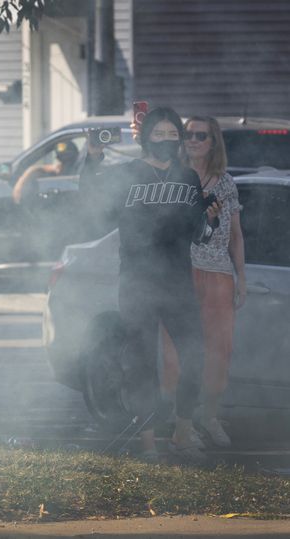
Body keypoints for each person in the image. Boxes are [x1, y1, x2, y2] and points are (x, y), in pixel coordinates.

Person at [80, 106, 221, 463]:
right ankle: (147, 443)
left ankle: (182, 433)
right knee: (142, 362)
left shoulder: (188, 178)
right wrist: (93, 159)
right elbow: (90, 202)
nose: (166, 140)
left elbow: (198, 235)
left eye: (173, 135)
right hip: (137, 282)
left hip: (176, 281)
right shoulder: (127, 174)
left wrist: (211, 222)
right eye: (158, 134)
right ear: (145, 138)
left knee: (194, 355)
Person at [160, 116, 246, 448]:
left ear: (213, 142)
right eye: (188, 134)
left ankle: (209, 417)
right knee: (176, 349)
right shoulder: (173, 177)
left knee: (218, 349)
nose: (193, 140)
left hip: (219, 274)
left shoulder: (225, 182)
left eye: (201, 135)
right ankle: (179, 421)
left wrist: (242, 277)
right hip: (180, 272)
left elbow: (236, 236)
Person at [12, 140, 79, 204]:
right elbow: (37, 168)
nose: (63, 161)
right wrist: (20, 184)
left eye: (67, 158)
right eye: (61, 158)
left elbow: (34, 169)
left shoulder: (75, 172)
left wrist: (19, 185)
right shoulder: (61, 170)